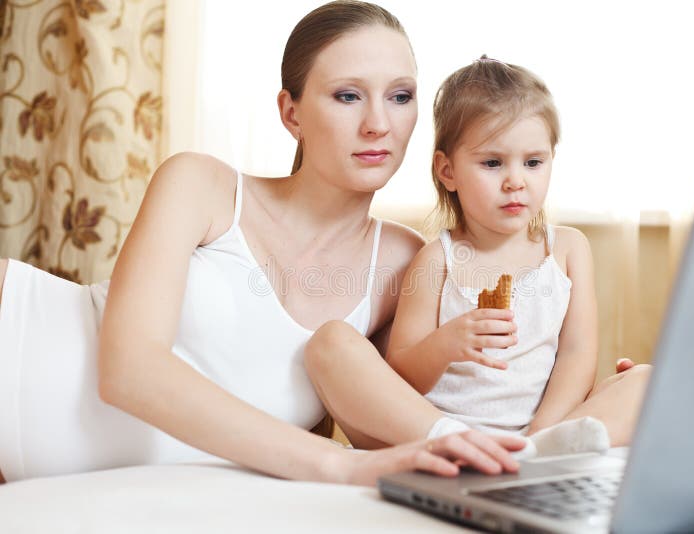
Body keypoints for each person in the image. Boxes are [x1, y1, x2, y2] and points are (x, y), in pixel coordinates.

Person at [0, 1, 527, 486]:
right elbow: (128, 373)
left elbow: (407, 421)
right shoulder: (202, 187)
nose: (378, 124)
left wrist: (587, 403)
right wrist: (337, 466)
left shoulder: (406, 263)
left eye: (400, 97)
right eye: (348, 95)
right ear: (291, 113)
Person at [304, 57, 650, 449]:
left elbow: (577, 356)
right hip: (437, 435)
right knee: (330, 344)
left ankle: (531, 456)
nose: (515, 181)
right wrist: (446, 344)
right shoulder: (436, 260)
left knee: (646, 380)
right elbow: (402, 374)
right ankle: (471, 449)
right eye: (492, 163)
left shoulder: (568, 250)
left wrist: (540, 433)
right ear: (447, 171)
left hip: (536, 434)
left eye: (534, 162)